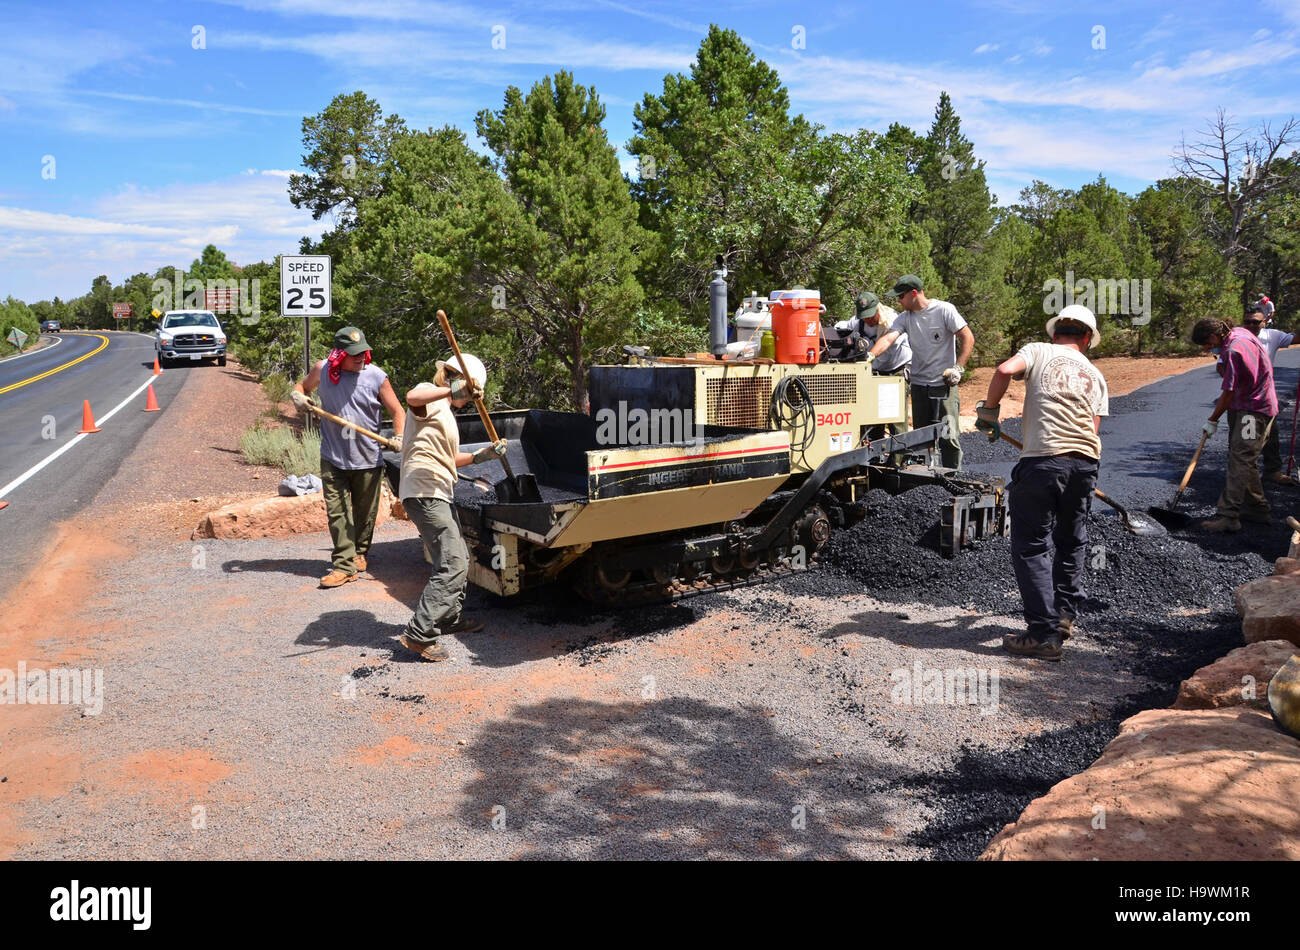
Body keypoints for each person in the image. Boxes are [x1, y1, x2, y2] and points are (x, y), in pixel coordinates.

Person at [975, 304, 1108, 661]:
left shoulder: (1038, 350)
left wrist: (989, 411)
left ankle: (1043, 635)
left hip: (1042, 462)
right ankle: (1063, 617)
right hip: (1084, 464)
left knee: (1032, 545)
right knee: (1071, 540)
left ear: (1054, 334)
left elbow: (1004, 370)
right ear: (1086, 338)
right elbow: (1091, 431)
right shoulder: (1096, 375)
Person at [396, 353, 507, 662]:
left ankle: (448, 618)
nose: (470, 398)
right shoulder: (431, 398)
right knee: (454, 562)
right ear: (455, 379)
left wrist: (482, 456)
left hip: (438, 490)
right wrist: (450, 390)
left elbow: (449, 457)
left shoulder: (444, 410)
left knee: (458, 554)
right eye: (469, 391)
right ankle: (420, 633)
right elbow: (412, 396)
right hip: (425, 489)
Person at [291, 326, 405, 588]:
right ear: (339, 353)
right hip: (333, 456)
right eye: (354, 354)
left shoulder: (376, 376)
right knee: (337, 512)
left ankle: (360, 551)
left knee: (365, 513)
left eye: (363, 352)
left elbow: (398, 410)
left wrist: (398, 436)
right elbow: (302, 386)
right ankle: (344, 564)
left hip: (367, 457)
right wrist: (299, 396)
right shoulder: (323, 370)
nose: (361, 357)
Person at [865, 275, 973, 469]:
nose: (898, 301)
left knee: (949, 438)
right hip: (919, 386)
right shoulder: (905, 318)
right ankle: (924, 480)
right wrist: (869, 357)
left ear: (913, 293)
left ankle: (953, 478)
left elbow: (967, 337)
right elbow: (889, 338)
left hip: (943, 386)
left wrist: (959, 368)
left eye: (900, 296)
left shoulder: (944, 310)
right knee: (920, 440)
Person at [1190, 317, 1279, 532]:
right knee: (1244, 458)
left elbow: (1228, 393)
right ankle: (1257, 509)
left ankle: (1229, 516)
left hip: (1253, 411)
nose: (1206, 348)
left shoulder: (1233, 351)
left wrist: (1212, 420)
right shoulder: (1238, 333)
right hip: (1250, 404)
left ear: (1213, 336)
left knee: (1240, 459)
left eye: (1207, 344)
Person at [853, 292, 912, 458]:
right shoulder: (858, 323)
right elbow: (842, 331)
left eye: (870, 315)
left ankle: (899, 460)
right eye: (864, 317)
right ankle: (873, 459)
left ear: (877, 308)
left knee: (895, 417)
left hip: (895, 370)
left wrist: (870, 355)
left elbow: (886, 343)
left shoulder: (893, 320)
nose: (868, 320)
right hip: (874, 373)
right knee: (871, 417)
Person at [1244, 304, 1296, 485]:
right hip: (1246, 401)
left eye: (1255, 322)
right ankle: (1245, 473)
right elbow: (1221, 366)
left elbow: (1296, 339)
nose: (1250, 325)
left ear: (1264, 322)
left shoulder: (1273, 336)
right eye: (1247, 322)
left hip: (1267, 396)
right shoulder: (1238, 338)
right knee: (1248, 436)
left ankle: (1272, 471)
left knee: (1271, 433)